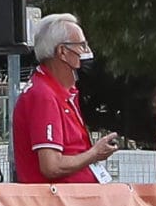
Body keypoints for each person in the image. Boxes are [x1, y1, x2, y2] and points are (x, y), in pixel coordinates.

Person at [10, 13, 119, 185]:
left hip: (72, 202)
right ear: (62, 51)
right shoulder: (44, 96)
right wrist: (95, 153)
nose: (87, 51)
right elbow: (51, 166)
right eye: (82, 45)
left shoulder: (59, 91)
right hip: (59, 205)